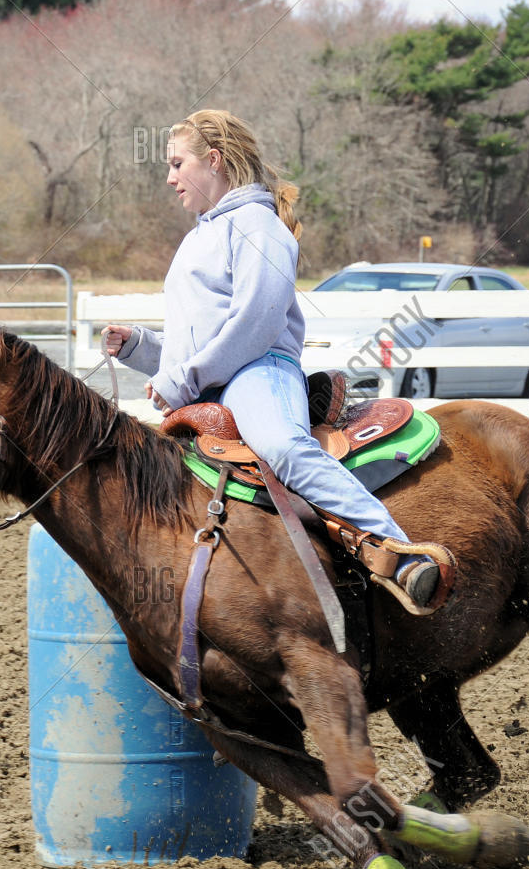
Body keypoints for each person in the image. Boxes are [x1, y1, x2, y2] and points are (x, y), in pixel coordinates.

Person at [103, 109, 441, 608]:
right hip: (214, 380)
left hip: (259, 371)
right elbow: (191, 345)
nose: (169, 177)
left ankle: (402, 553)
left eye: (178, 164)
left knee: (282, 445)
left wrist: (183, 378)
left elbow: (255, 326)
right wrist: (140, 348)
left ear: (213, 161)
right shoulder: (199, 235)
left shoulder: (258, 226)